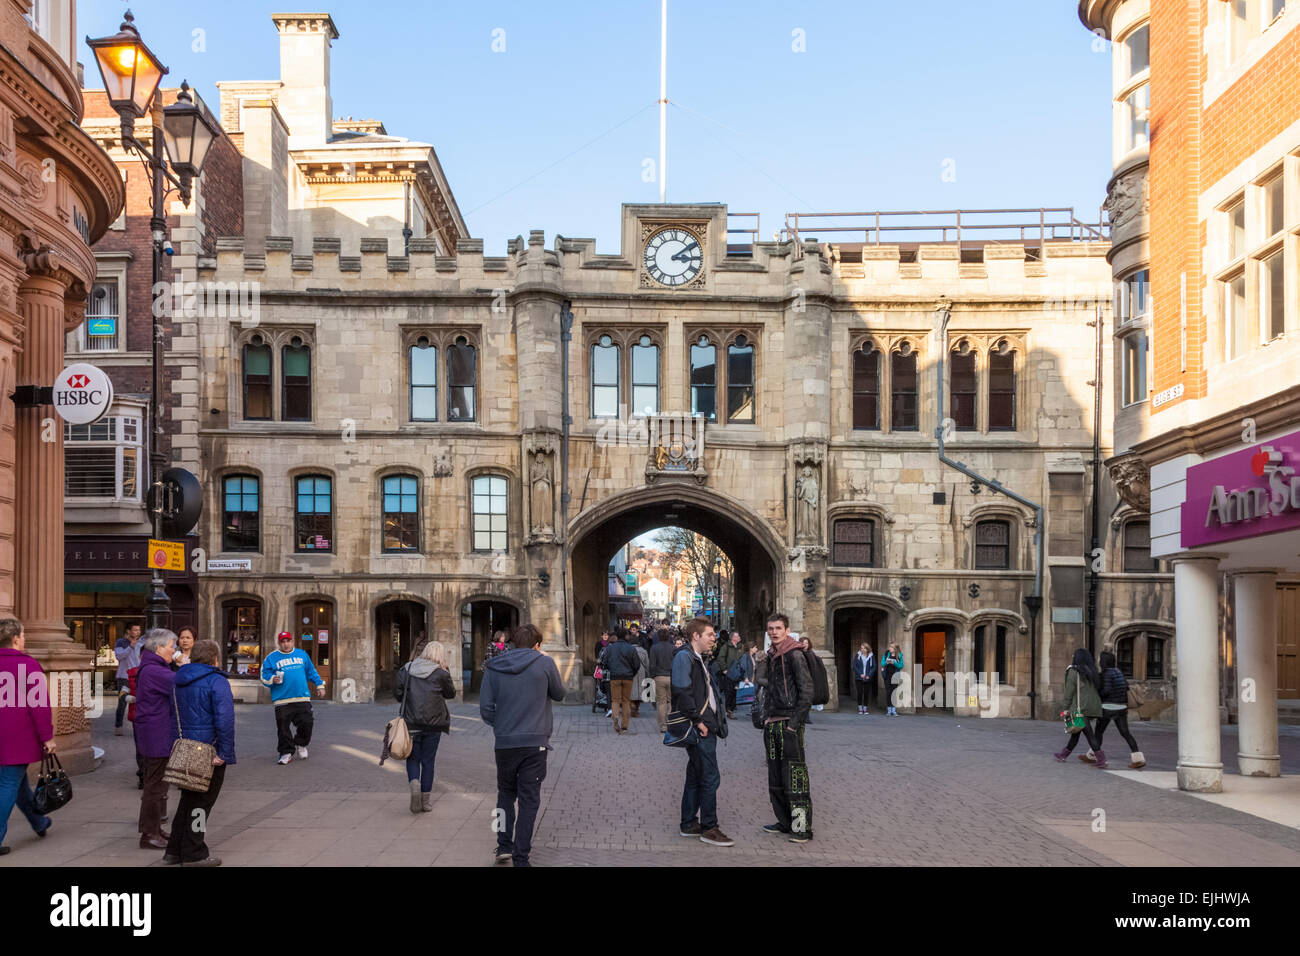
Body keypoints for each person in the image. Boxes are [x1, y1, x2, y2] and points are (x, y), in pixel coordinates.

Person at [480, 623, 565, 867]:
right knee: (529, 799)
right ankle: (521, 856)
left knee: (505, 794)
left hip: (505, 742)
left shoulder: (494, 665)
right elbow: (559, 693)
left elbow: (485, 708)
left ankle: (503, 845)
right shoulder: (545, 663)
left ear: (513, 643)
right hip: (535, 741)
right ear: (537, 644)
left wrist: (501, 725)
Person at [165, 640, 234, 866]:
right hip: (208, 751)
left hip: (185, 748)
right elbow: (224, 720)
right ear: (215, 658)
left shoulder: (179, 679)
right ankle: (194, 852)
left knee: (187, 800)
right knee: (202, 804)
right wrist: (224, 752)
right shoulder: (217, 680)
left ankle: (174, 850)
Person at [671, 617, 732, 847]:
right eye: (710, 635)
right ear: (696, 636)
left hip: (706, 726)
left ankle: (688, 823)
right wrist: (698, 721)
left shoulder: (698, 658)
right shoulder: (685, 657)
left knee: (696, 775)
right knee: (709, 777)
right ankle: (709, 827)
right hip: (700, 728)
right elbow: (682, 691)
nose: (713, 639)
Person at [756, 613, 814, 843]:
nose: (774, 632)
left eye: (778, 628)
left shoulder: (795, 654)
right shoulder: (771, 655)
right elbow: (764, 683)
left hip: (789, 724)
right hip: (772, 723)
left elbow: (807, 692)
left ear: (787, 630)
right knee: (776, 776)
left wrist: (793, 726)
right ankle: (784, 821)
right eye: (771, 628)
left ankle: (802, 828)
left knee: (795, 776)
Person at [0, 618, 54, 856]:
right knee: (9, 784)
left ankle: (39, 822)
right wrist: (47, 737)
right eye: (23, 635)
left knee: (18, 784)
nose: (25, 639)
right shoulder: (28, 665)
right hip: (16, 738)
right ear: (15, 639)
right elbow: (39, 706)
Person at [395, 640, 456, 813]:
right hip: (434, 723)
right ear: (440, 655)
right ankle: (425, 801)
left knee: (413, 758)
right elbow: (450, 694)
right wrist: (447, 672)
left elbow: (398, 694)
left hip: (411, 722)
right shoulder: (441, 673)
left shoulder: (407, 669)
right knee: (428, 761)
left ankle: (414, 782)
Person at [134, 628, 179, 850]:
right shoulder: (154, 671)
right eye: (171, 646)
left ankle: (154, 829)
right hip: (156, 735)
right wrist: (186, 666)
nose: (174, 650)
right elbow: (180, 683)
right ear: (159, 648)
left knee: (159, 785)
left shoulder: (153, 667)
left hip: (156, 733)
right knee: (155, 786)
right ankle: (149, 833)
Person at [260, 630, 325, 764]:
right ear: (279, 643)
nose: (286, 644)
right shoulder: (271, 658)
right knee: (283, 728)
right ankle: (286, 753)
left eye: (288, 641)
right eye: (283, 642)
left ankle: (301, 743)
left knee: (307, 723)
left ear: (292, 641)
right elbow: (263, 676)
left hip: (302, 697)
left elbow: (311, 671)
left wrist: (320, 685)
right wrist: (272, 679)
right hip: (282, 700)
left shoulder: (302, 654)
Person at [1086, 650, 1146, 769]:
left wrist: (1098, 695)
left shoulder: (1106, 674)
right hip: (1122, 707)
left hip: (1108, 707)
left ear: (1103, 662)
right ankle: (1138, 758)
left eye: (1099, 659)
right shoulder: (1119, 672)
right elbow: (1125, 687)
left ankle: (1094, 755)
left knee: (1099, 732)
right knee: (1125, 733)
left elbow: (1106, 690)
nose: (1098, 661)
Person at [1053, 648, 1106, 766]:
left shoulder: (1073, 672)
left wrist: (1065, 708)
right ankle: (1063, 755)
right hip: (1093, 706)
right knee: (1076, 731)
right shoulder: (1092, 671)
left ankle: (1101, 759)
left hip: (1080, 708)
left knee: (1089, 734)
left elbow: (1069, 692)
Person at [604, 627, 641, 734]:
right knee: (626, 701)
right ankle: (625, 725)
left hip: (615, 676)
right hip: (628, 677)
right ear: (626, 636)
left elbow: (605, 662)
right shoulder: (631, 648)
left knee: (615, 700)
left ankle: (615, 716)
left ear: (616, 636)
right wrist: (632, 673)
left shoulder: (610, 648)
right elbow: (637, 664)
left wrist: (612, 670)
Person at [113, 623, 142, 735]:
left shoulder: (141, 643)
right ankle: (118, 726)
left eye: (139, 630)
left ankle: (138, 726)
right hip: (124, 677)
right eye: (135, 630)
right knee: (122, 702)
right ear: (128, 631)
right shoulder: (121, 642)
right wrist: (130, 647)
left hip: (137, 676)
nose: (138, 632)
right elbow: (119, 656)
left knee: (139, 702)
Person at [649, 628, 676, 733]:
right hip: (671, 676)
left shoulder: (654, 648)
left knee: (661, 702)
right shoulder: (673, 648)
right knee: (670, 701)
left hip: (659, 676)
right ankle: (670, 723)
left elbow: (652, 664)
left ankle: (663, 726)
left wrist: (652, 676)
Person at [715, 630, 746, 719]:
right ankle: (729, 710)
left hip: (738, 674)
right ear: (733, 638)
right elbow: (720, 658)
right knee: (729, 692)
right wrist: (724, 669)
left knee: (735, 692)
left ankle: (731, 709)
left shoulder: (740, 647)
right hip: (729, 674)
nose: (739, 637)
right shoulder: (726, 647)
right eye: (737, 636)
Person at [853, 642, 877, 715]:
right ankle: (860, 709)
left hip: (868, 678)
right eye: (861, 648)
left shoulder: (871, 656)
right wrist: (860, 674)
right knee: (860, 693)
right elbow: (854, 666)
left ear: (867, 649)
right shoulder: (857, 656)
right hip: (859, 678)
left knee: (866, 693)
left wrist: (869, 675)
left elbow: (874, 667)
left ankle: (865, 709)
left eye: (864, 648)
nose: (862, 649)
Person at [881, 643, 904, 716]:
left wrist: (894, 663)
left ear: (895, 649)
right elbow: (882, 663)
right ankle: (889, 710)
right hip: (887, 676)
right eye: (889, 647)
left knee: (894, 693)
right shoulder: (886, 654)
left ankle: (893, 710)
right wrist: (887, 662)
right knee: (888, 693)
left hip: (895, 676)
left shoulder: (899, 655)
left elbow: (901, 666)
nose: (889, 648)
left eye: (891, 647)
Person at [630, 634, 650, 718]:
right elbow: (647, 664)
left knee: (631, 690)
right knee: (640, 691)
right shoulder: (644, 651)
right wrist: (648, 674)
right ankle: (636, 710)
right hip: (641, 671)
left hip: (631, 671)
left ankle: (632, 705)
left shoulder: (629, 649)